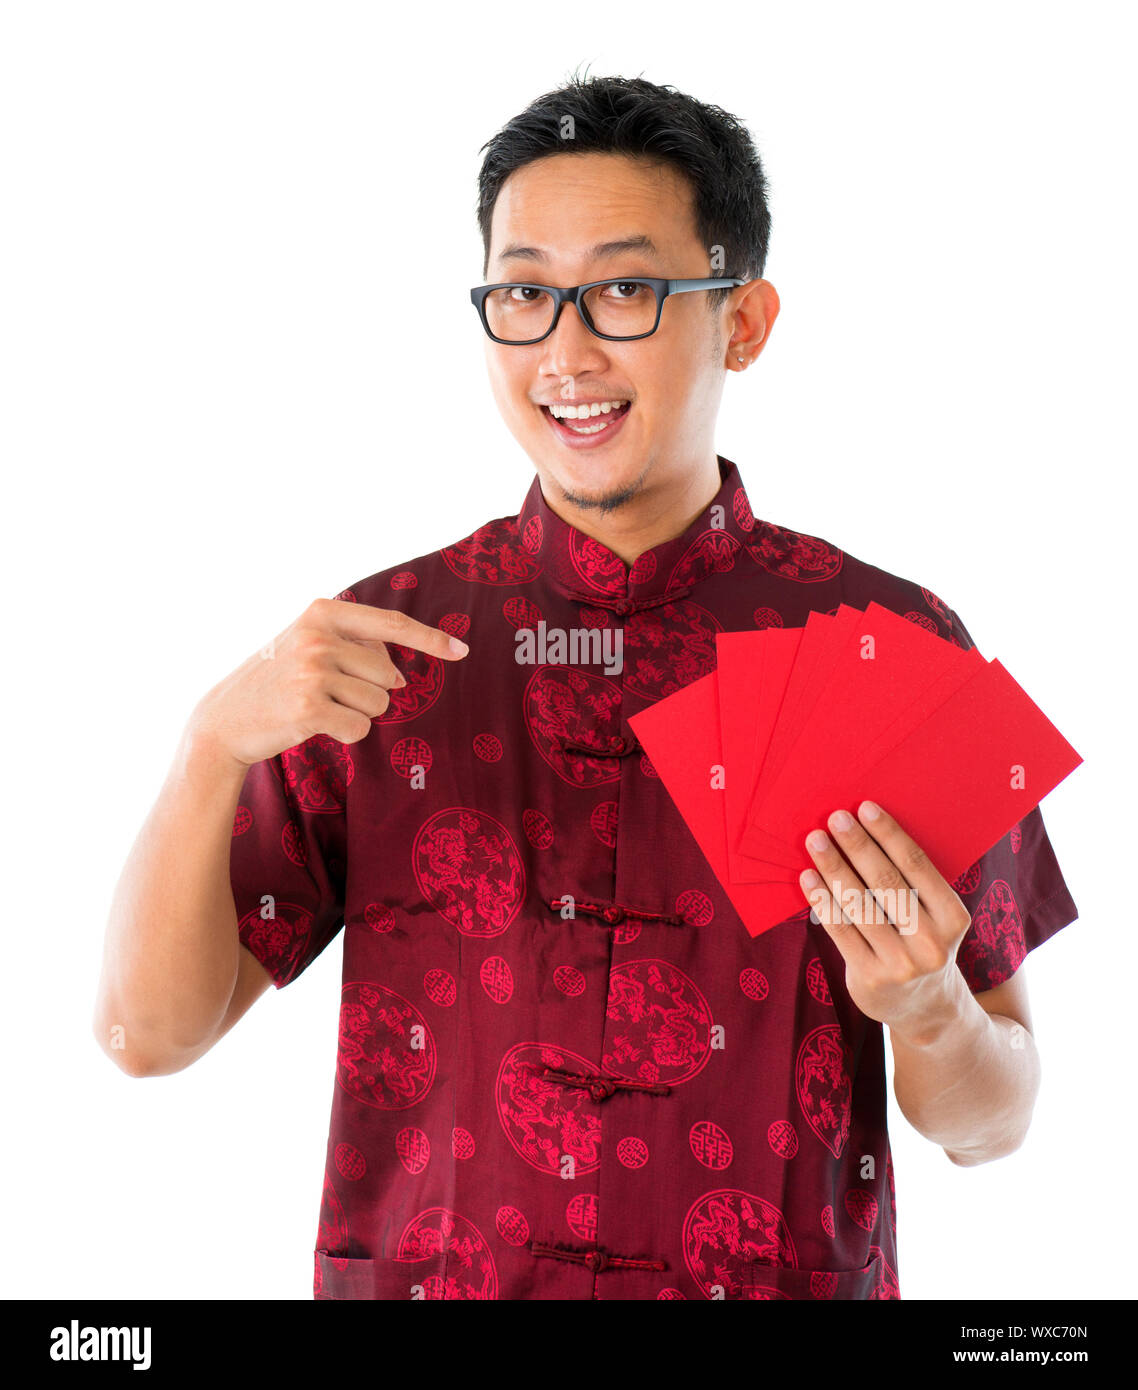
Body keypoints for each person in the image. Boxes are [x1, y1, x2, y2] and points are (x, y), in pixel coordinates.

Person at [93, 73, 1078, 1300]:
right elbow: (148, 1038)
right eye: (522, 291)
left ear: (744, 321)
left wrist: (928, 1006)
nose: (563, 349)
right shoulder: (381, 648)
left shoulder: (888, 646)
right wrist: (205, 751)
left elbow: (995, 1123)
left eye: (623, 289)